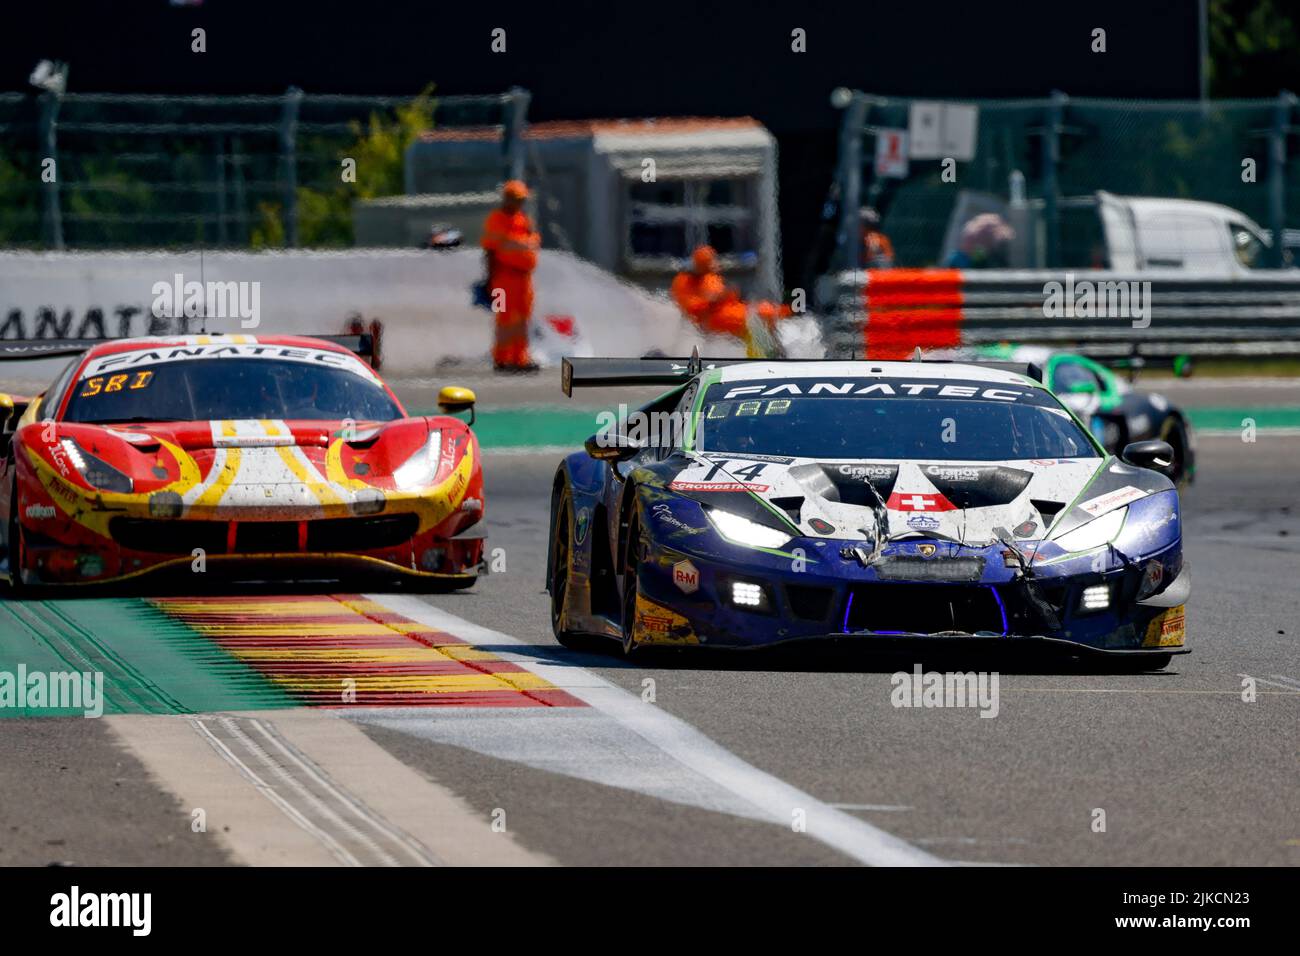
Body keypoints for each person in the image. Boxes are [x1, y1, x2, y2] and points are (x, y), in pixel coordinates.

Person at [671, 245, 791, 357]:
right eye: (709, 262)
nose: (715, 264)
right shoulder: (683, 281)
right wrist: (712, 300)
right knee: (755, 320)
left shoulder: (710, 277)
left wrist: (725, 295)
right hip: (712, 320)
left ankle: (775, 353)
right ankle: (761, 357)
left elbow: (724, 295)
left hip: (727, 311)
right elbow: (691, 309)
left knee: (765, 310)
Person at [480, 180, 540, 372]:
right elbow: (489, 251)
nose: (519, 203)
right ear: (506, 199)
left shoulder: (523, 219)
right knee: (504, 318)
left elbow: (532, 242)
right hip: (502, 278)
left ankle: (519, 358)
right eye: (516, 199)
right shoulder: (496, 219)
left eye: (522, 200)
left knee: (522, 319)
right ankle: (502, 358)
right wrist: (489, 280)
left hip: (523, 279)